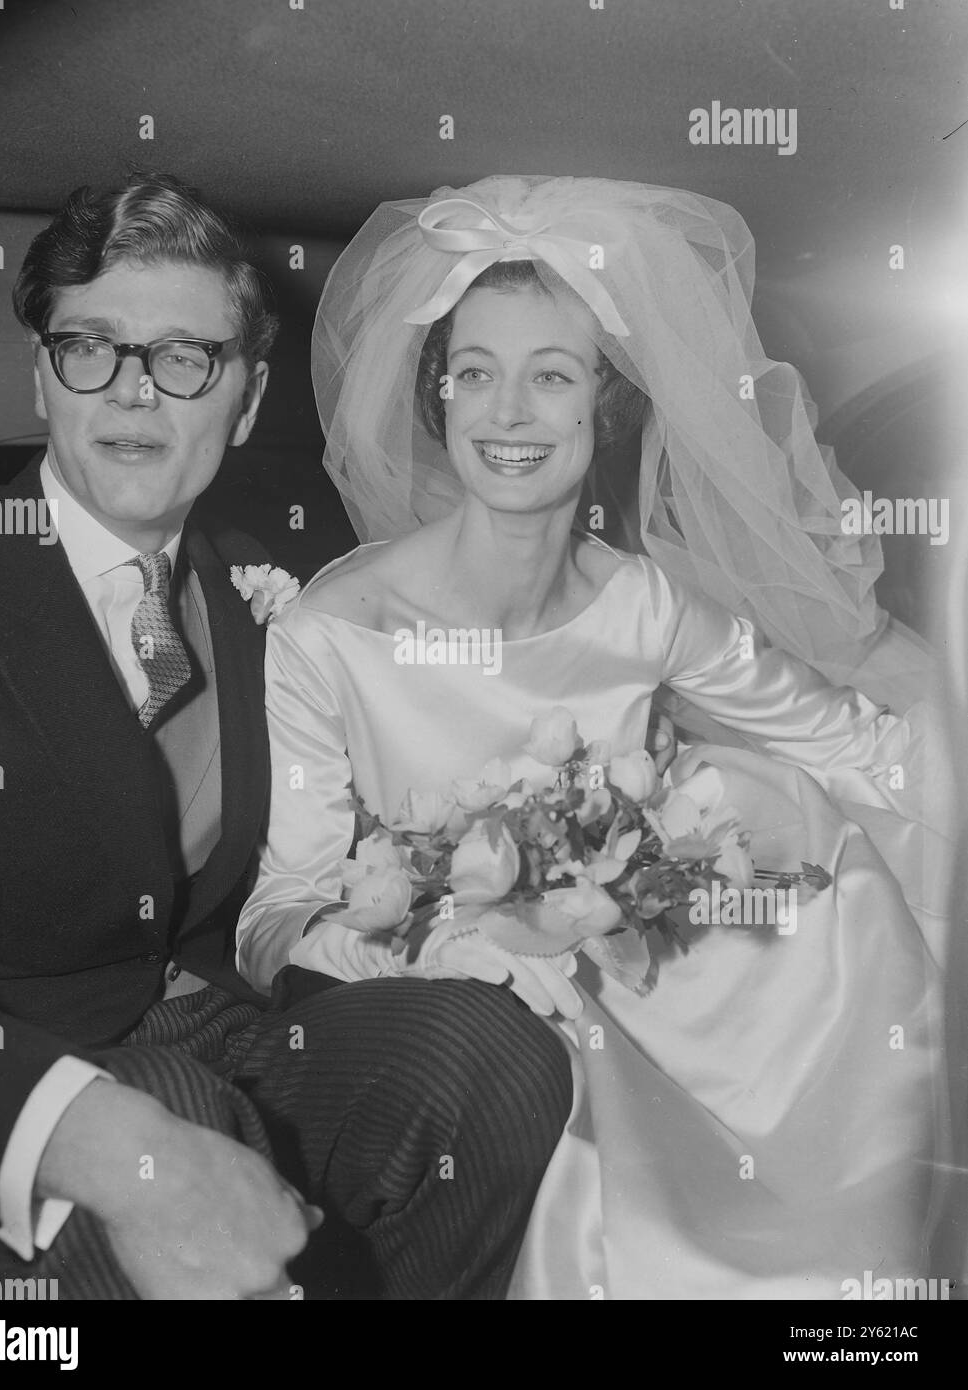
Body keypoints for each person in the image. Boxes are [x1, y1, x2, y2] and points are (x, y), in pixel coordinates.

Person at [236, 175, 957, 1299]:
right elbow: (276, 915)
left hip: (685, 987)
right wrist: (434, 956)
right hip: (499, 1020)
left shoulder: (647, 607)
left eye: (551, 377)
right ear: (440, 396)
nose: (507, 414)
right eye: (474, 373)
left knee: (811, 863)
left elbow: (852, 743)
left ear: (604, 408)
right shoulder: (335, 631)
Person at [0, 172, 575, 1302]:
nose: (135, 396)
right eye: (91, 348)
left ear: (249, 394)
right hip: (16, 1072)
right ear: (43, 372)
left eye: (187, 358)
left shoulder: (272, 578)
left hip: (234, 1020)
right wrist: (90, 1127)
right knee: (169, 1118)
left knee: (496, 1056)